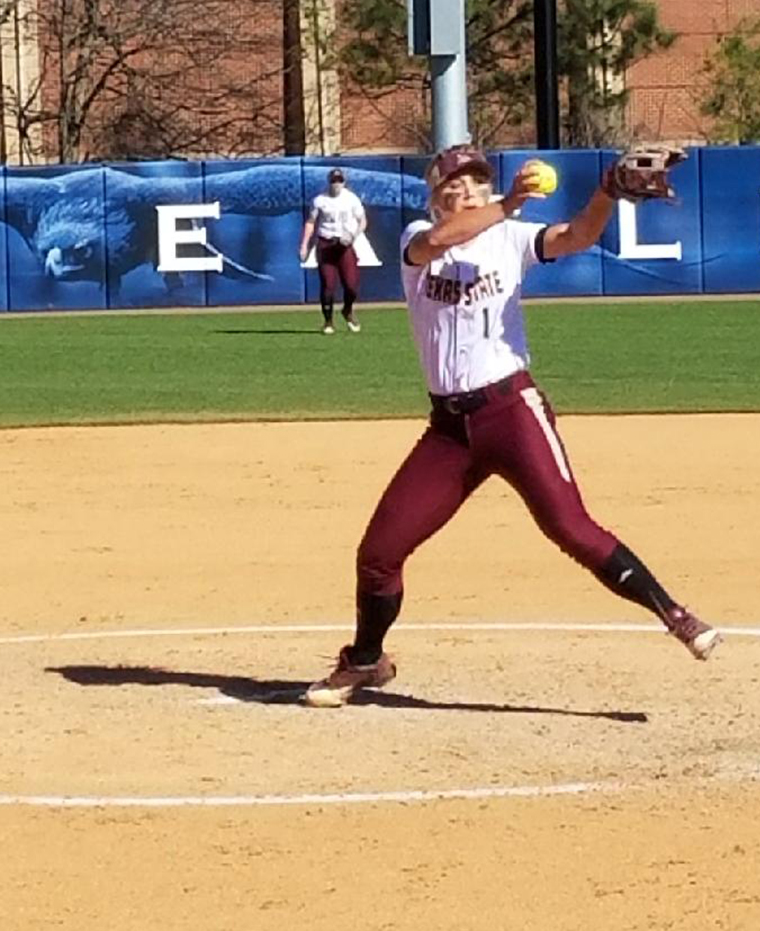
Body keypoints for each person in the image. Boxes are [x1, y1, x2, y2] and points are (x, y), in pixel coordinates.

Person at [304, 145, 721, 707]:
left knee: (570, 527)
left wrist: (606, 191)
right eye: (458, 185)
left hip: (511, 412)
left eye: (478, 182)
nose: (470, 191)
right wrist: (508, 202)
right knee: (379, 553)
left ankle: (676, 615)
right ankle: (366, 660)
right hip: (449, 432)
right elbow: (439, 242)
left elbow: (575, 237)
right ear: (436, 196)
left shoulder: (511, 238)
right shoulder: (417, 239)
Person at [298, 167, 367, 334]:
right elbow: (311, 222)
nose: (336, 184)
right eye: (334, 181)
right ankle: (328, 321)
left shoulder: (351, 199)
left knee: (351, 286)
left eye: (339, 181)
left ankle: (347, 310)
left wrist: (353, 235)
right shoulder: (320, 200)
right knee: (328, 285)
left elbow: (362, 221)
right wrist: (304, 244)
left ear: (344, 182)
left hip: (344, 244)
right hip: (326, 243)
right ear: (329, 182)